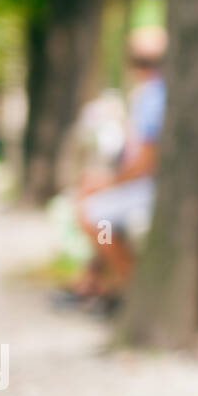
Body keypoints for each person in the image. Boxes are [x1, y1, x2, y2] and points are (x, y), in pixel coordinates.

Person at [57, 25, 167, 315]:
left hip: (149, 188)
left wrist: (111, 183)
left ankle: (132, 289)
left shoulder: (153, 96)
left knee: (92, 215)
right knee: (90, 200)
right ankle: (94, 282)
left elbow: (146, 161)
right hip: (145, 185)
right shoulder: (154, 93)